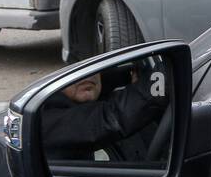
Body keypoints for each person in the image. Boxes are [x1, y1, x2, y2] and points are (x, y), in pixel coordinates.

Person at [40, 65, 168, 165]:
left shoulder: (97, 101)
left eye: (93, 68)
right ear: (52, 82)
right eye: (75, 70)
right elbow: (111, 119)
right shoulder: (48, 120)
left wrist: (130, 74)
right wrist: (161, 78)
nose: (88, 75)